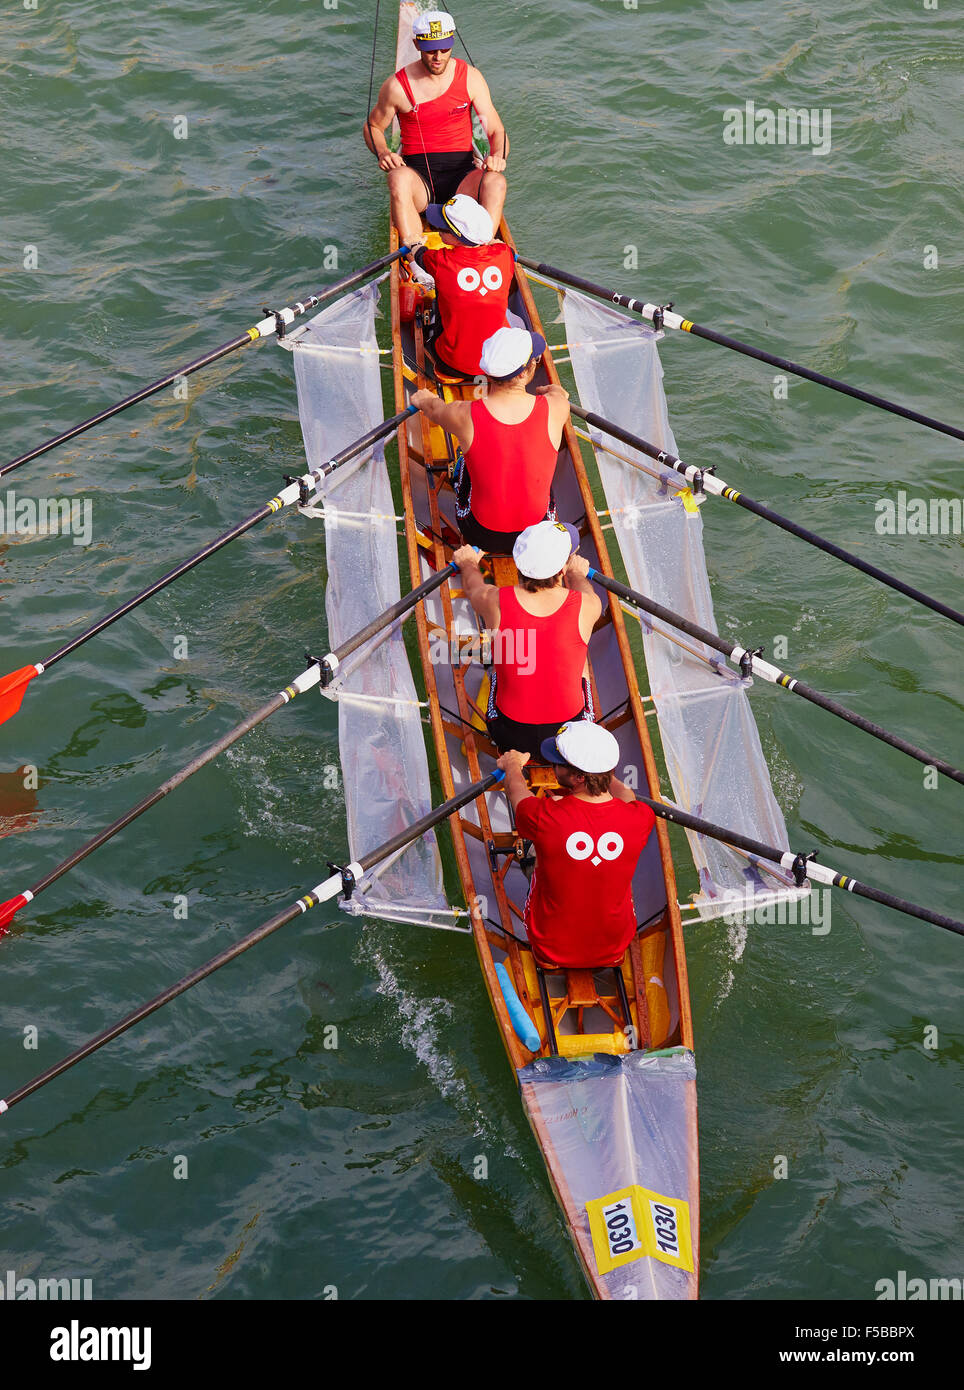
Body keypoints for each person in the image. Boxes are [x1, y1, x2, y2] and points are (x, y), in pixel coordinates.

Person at [496, 722, 656, 968]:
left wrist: (513, 765)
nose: (552, 765)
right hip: (614, 949)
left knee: (538, 847)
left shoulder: (543, 817)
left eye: (557, 762)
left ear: (579, 777)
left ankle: (545, 957)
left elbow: (515, 790)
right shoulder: (642, 817)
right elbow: (627, 796)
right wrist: (601, 771)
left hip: (550, 949)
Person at [411, 327, 569, 552]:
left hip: (482, 534)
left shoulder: (462, 414)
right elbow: (560, 394)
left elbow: (435, 410)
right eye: (534, 360)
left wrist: (424, 399)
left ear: (487, 374)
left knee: (464, 457)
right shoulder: (556, 406)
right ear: (525, 373)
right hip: (536, 535)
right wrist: (550, 389)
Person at [453, 520, 601, 757]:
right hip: (568, 733)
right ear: (562, 570)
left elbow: (473, 588)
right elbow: (584, 588)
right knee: (582, 665)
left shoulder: (494, 600)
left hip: (509, 732)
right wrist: (577, 572)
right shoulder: (589, 605)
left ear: (518, 566)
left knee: (499, 663)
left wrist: (468, 561)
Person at [363, 9, 508, 249]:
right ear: (416, 44)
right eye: (430, 50)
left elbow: (495, 130)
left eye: (444, 49)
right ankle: (415, 255)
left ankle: (484, 247)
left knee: (496, 182)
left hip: (464, 179)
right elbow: (373, 126)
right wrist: (383, 152)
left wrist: (497, 157)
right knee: (397, 178)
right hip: (420, 182)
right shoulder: (397, 86)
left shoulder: (471, 78)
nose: (438, 57)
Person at [406, 195, 516, 378]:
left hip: (453, 364)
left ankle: (430, 346)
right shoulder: (504, 254)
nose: (437, 229)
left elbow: (419, 254)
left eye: (441, 227)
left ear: (457, 237)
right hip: (497, 362)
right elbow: (504, 248)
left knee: (438, 299)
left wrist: (414, 243)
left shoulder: (440, 260)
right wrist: (492, 242)